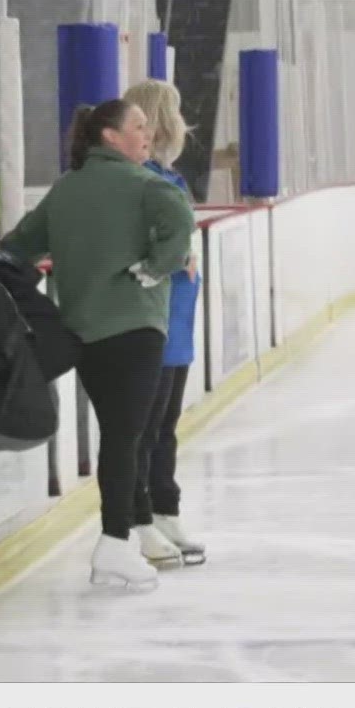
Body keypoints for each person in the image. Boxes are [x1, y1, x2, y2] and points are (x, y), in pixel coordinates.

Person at [1, 99, 197, 592]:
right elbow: (180, 220)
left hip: (84, 331)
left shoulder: (67, 189)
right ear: (110, 136)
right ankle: (115, 543)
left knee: (118, 435)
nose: (147, 133)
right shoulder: (143, 184)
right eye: (137, 126)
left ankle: (128, 538)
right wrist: (156, 268)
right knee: (127, 439)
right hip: (133, 328)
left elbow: (18, 246)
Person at [121, 79, 205, 567]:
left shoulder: (169, 178)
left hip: (178, 320)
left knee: (165, 424)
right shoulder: (143, 181)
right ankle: (141, 520)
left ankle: (164, 505)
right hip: (154, 318)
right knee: (147, 427)